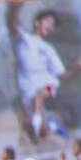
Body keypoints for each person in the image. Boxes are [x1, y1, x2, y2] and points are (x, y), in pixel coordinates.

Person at [8, 7, 80, 141]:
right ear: (37, 23)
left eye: (52, 25)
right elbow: (12, 23)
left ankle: (40, 123)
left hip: (48, 84)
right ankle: (40, 128)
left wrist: (77, 66)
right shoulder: (24, 38)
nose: (50, 26)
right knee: (34, 124)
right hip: (26, 89)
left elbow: (63, 74)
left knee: (41, 94)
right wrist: (13, 8)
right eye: (47, 22)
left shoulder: (49, 50)